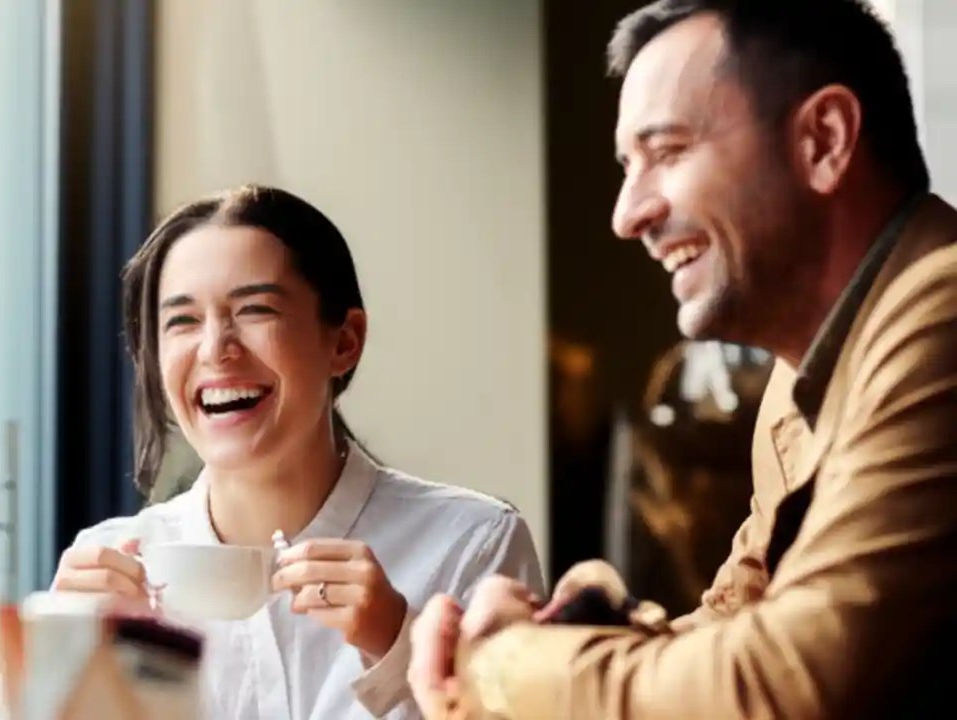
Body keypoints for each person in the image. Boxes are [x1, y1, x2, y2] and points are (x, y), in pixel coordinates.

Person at [408, 1, 957, 717]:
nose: (627, 214)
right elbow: (735, 624)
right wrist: (587, 622)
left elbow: (783, 683)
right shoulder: (799, 377)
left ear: (823, 140)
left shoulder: (940, 314)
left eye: (666, 153)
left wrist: (506, 664)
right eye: (627, 166)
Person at [0, 184, 544, 719]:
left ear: (344, 341)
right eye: (183, 321)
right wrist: (50, 672)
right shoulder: (107, 565)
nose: (216, 348)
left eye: (255, 311)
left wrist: (398, 645)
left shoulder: (471, 544)